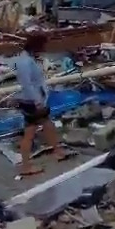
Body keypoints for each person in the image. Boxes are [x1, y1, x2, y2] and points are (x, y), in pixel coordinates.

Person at [12, 36, 66, 175]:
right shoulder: (25, 62)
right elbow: (27, 84)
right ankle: (26, 167)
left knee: (48, 124)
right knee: (29, 133)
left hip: (36, 100)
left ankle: (56, 150)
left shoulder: (28, 59)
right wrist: (37, 101)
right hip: (32, 102)